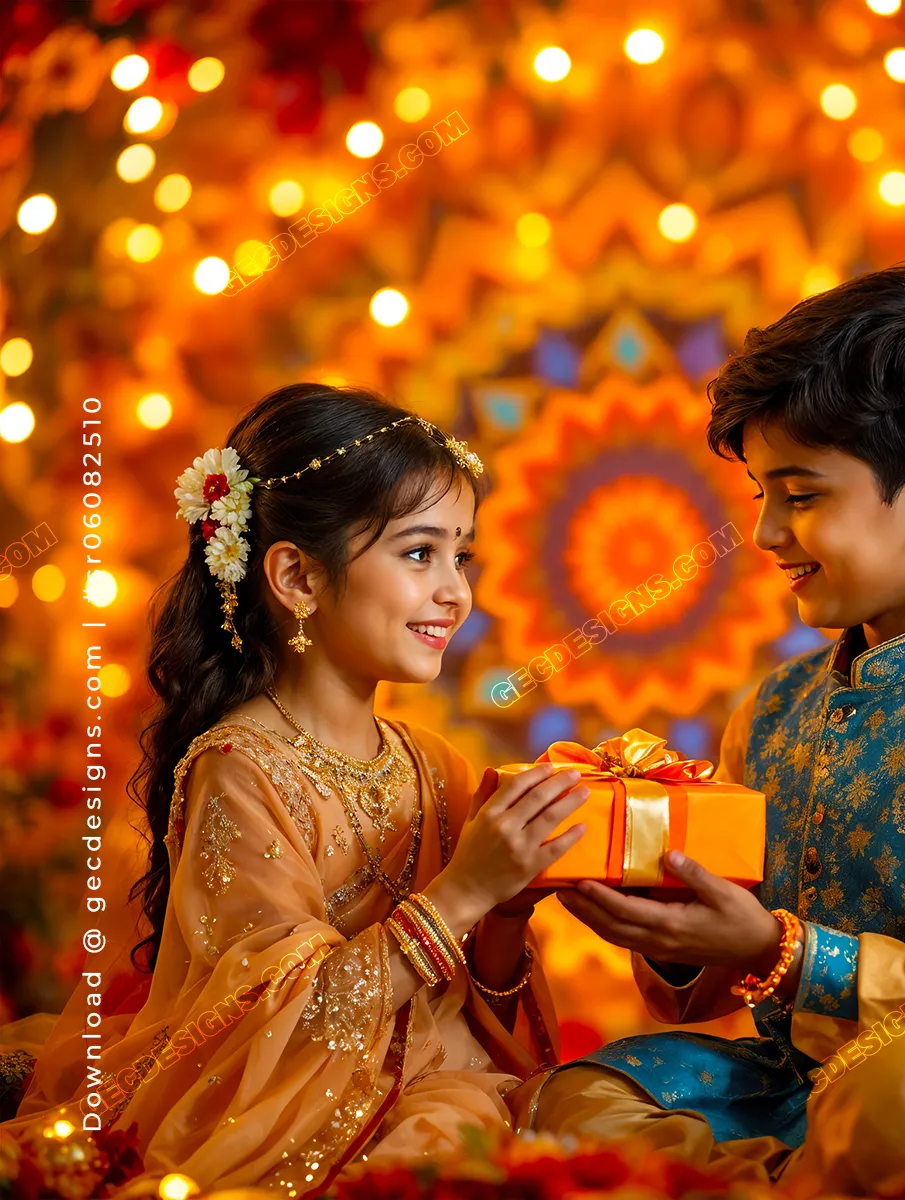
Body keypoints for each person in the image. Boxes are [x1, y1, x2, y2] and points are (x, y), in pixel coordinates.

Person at [531, 262, 905, 1197]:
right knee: (575, 1097)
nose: (769, 533)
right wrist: (657, 915)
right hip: (803, 1083)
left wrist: (779, 951)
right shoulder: (773, 710)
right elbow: (706, 983)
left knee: (903, 1095)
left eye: (802, 494)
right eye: (760, 499)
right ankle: (807, 1176)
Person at [0, 384, 590, 1195]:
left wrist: (508, 907)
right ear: (298, 578)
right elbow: (275, 1029)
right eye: (420, 553)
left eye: (464, 556)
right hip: (288, 1113)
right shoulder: (241, 768)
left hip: (442, 1086)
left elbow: (483, 1012)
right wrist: (462, 894)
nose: (456, 590)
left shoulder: (435, 765)